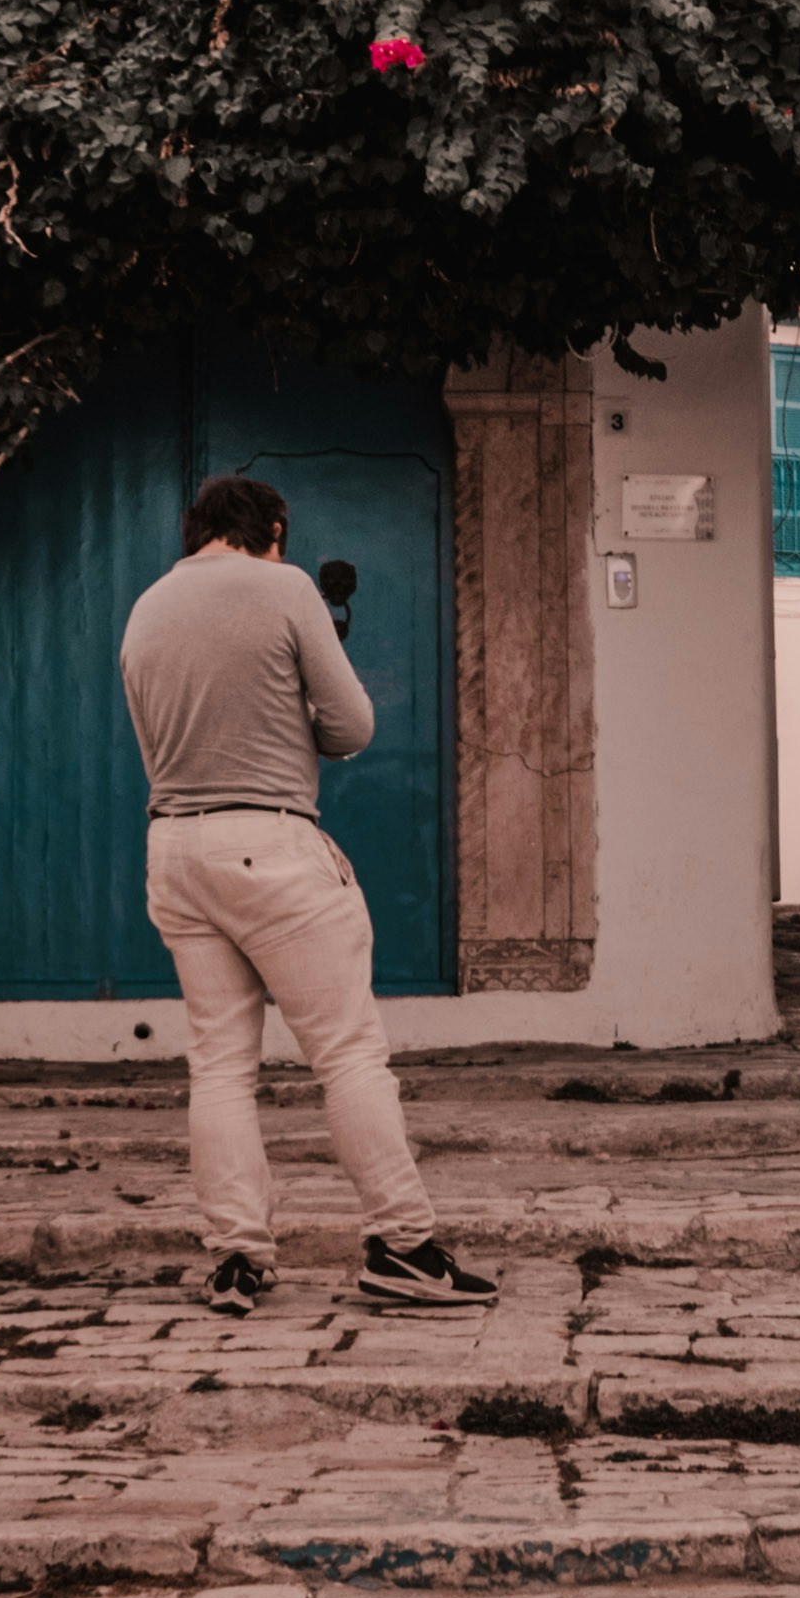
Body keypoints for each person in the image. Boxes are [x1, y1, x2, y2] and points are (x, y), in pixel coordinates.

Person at [118, 471, 496, 1312]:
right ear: (275, 530)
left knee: (220, 1064)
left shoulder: (147, 606)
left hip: (174, 847)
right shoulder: (286, 589)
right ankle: (402, 1245)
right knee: (347, 1053)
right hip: (270, 844)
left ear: (196, 531)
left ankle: (238, 1256)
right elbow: (351, 726)